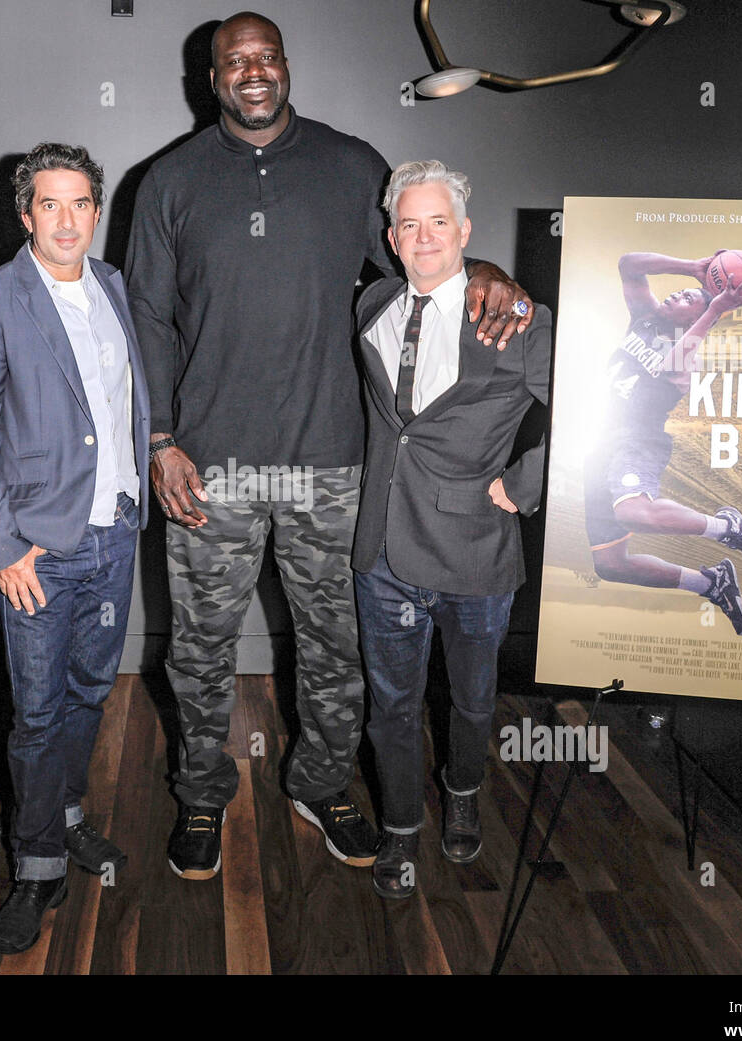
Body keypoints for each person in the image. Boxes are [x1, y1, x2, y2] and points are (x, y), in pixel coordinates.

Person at [125, 10, 535, 880]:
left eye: (265, 55)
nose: (252, 71)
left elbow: (420, 258)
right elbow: (148, 320)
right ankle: (201, 794)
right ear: (212, 78)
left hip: (332, 464)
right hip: (212, 467)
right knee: (197, 648)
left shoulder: (354, 166)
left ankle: (319, 779)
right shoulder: (169, 181)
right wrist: (160, 439)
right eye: (233, 60)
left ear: (285, 65)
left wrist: (488, 273)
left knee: (338, 647)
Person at [0, 143, 150, 954]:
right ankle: (35, 865)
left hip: (116, 532)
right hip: (38, 546)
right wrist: (4, 548)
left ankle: (66, 817)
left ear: (94, 211)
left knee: (90, 691)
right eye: (50, 205)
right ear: (23, 214)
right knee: (33, 715)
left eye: (81, 204)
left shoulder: (112, 286)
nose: (67, 220)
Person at [353, 161, 552, 898]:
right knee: (392, 705)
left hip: (475, 549)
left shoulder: (516, 317)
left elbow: (593, 410)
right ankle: (401, 827)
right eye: (409, 223)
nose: (424, 236)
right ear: (392, 237)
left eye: (440, 222)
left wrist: (523, 485)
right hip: (382, 551)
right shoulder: (373, 303)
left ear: (465, 231)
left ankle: (463, 788)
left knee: (471, 700)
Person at [584, 251, 742, 635]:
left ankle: (728, 529)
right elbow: (628, 264)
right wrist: (695, 268)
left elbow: (671, 367)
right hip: (600, 444)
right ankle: (712, 583)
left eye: (688, 298)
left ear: (697, 317)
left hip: (637, 441)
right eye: (680, 292)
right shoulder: (644, 319)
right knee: (611, 565)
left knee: (634, 512)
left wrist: (714, 311)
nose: (676, 296)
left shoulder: (690, 359)